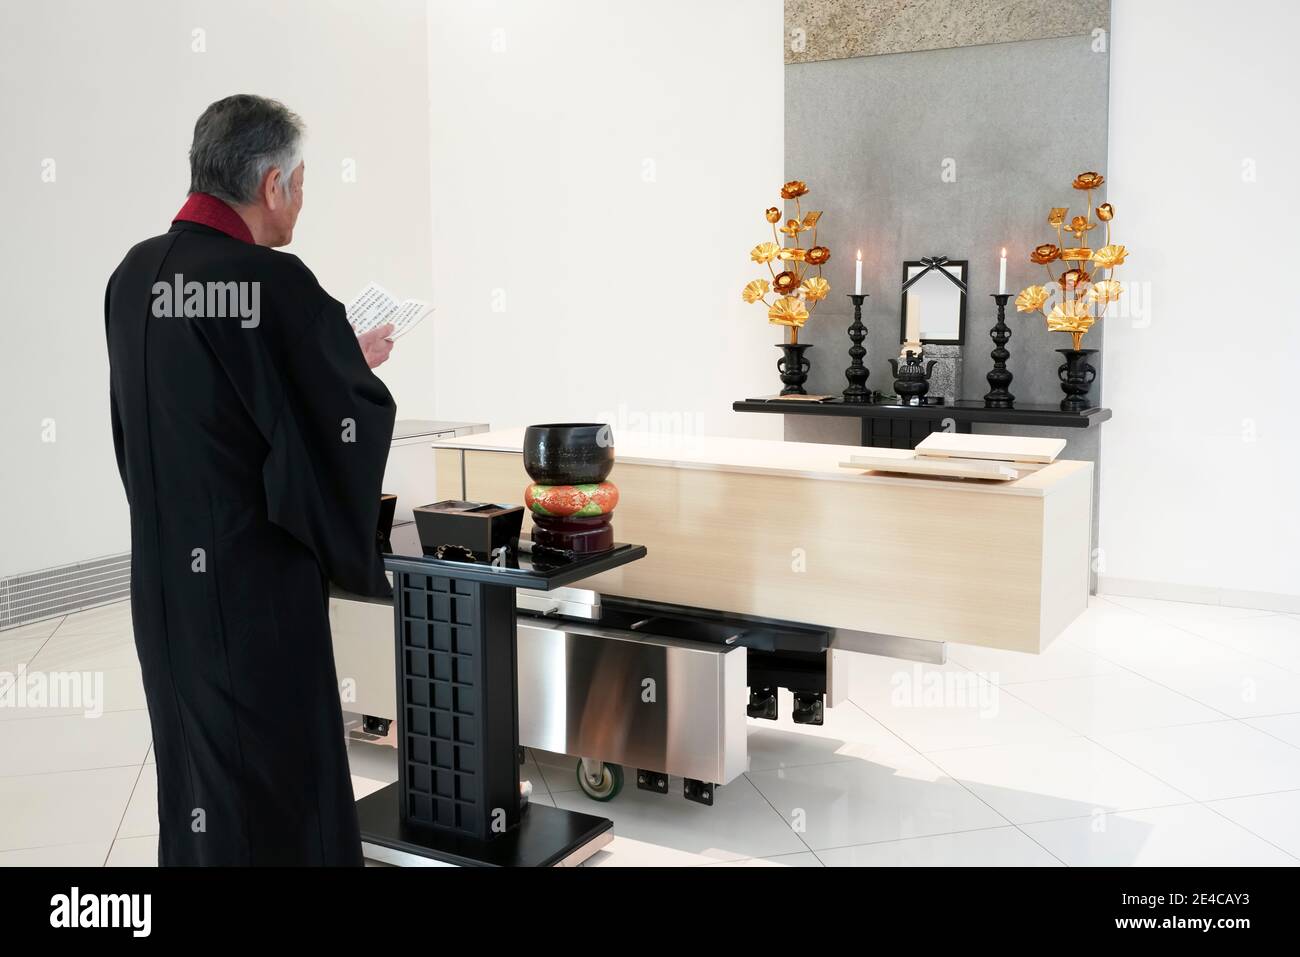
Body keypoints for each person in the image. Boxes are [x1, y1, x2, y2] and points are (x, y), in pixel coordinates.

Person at [103, 94, 395, 865]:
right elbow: (326, 424)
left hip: (165, 586)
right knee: (280, 778)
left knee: (200, 778)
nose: (300, 199)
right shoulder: (270, 281)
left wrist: (328, 356)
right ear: (271, 184)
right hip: (253, 590)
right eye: (300, 183)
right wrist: (346, 367)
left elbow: (184, 414)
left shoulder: (134, 275)